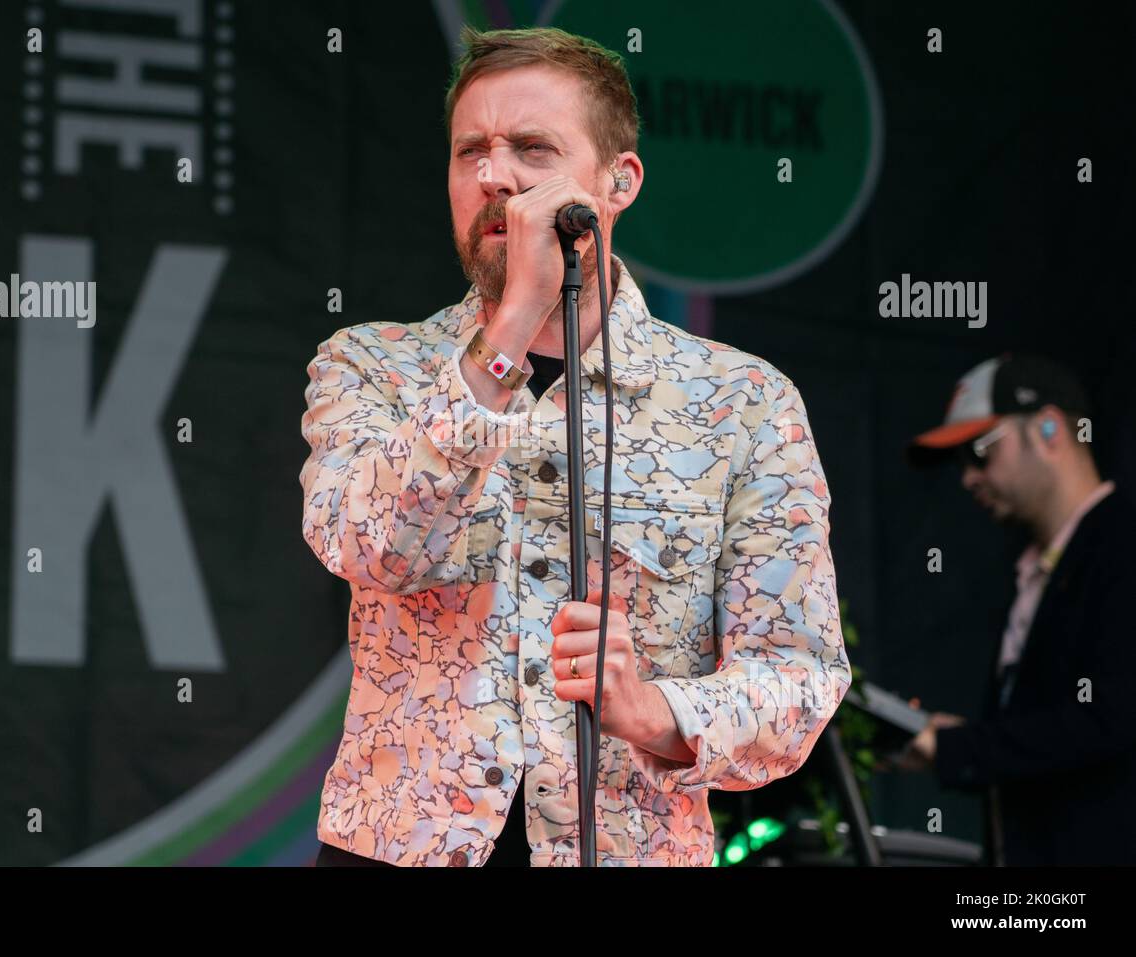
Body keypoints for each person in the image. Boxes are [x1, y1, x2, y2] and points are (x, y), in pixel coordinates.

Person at [300, 25, 851, 867]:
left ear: (617, 181)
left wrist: (652, 710)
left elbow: (800, 673)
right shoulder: (371, 364)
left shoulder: (744, 402)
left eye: (532, 148)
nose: (495, 177)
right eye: (469, 152)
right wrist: (513, 325)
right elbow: (369, 545)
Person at [900, 355, 1136, 865]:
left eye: (980, 451)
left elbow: (1113, 717)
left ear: (1049, 428)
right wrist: (958, 740)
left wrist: (962, 748)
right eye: (960, 461)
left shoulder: (1122, 542)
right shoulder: (1038, 568)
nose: (968, 478)